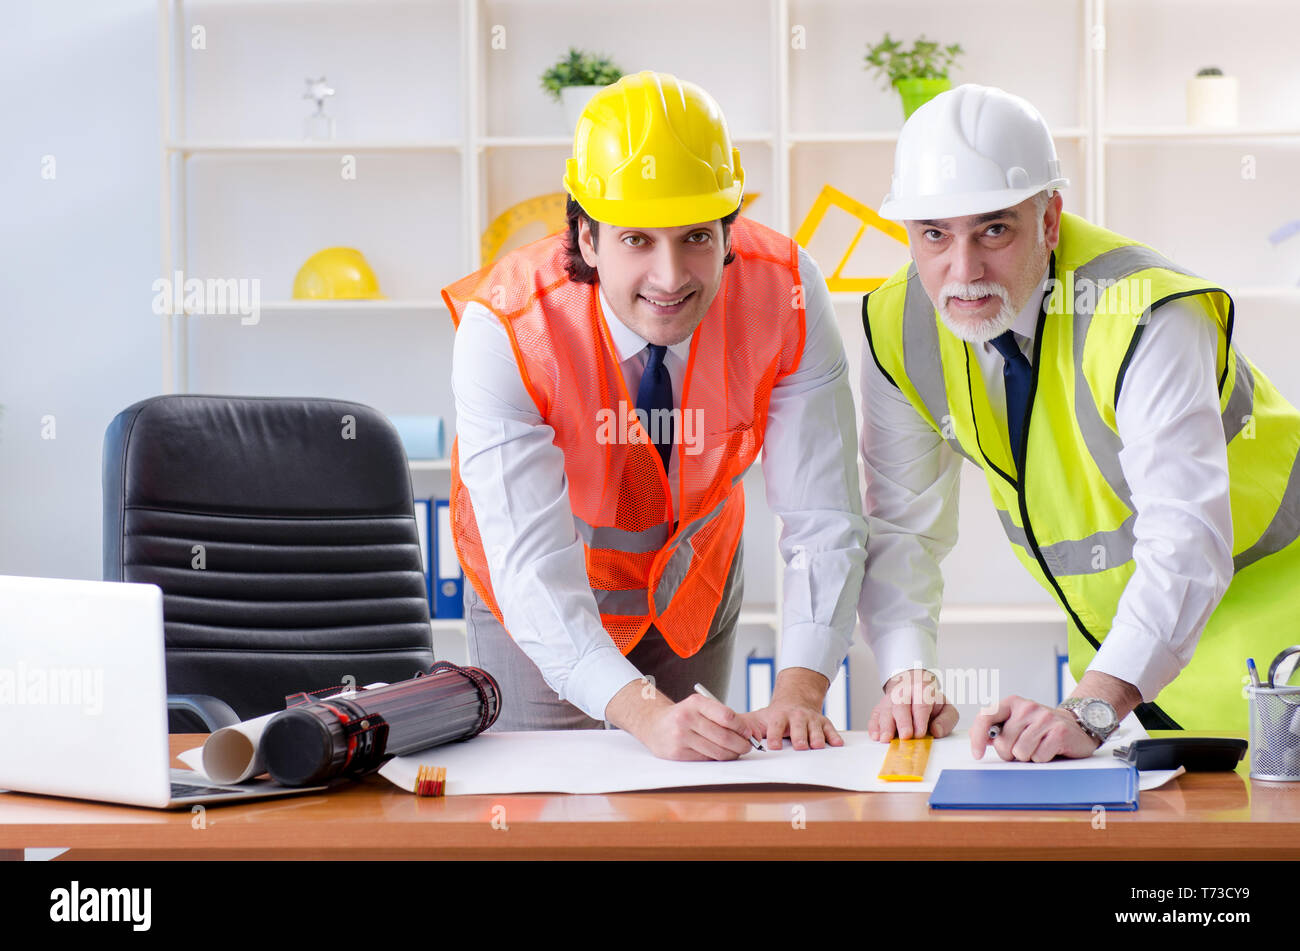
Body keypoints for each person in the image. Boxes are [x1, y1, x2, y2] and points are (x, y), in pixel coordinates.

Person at [857, 84, 1300, 761]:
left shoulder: (1146, 312)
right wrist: (907, 672)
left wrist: (1093, 704)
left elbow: (1187, 537)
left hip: (1278, 663)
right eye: (935, 234)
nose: (964, 268)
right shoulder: (900, 324)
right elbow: (902, 528)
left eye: (994, 229)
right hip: (1137, 690)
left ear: (1050, 218)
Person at [443, 71, 867, 760]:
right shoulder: (509, 328)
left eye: (696, 236)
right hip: (546, 595)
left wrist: (800, 691)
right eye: (637, 239)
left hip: (690, 581)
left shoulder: (785, 290)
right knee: (554, 810)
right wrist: (641, 712)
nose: (671, 278)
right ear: (586, 237)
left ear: (730, 230)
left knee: (691, 798)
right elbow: (530, 571)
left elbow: (824, 514)